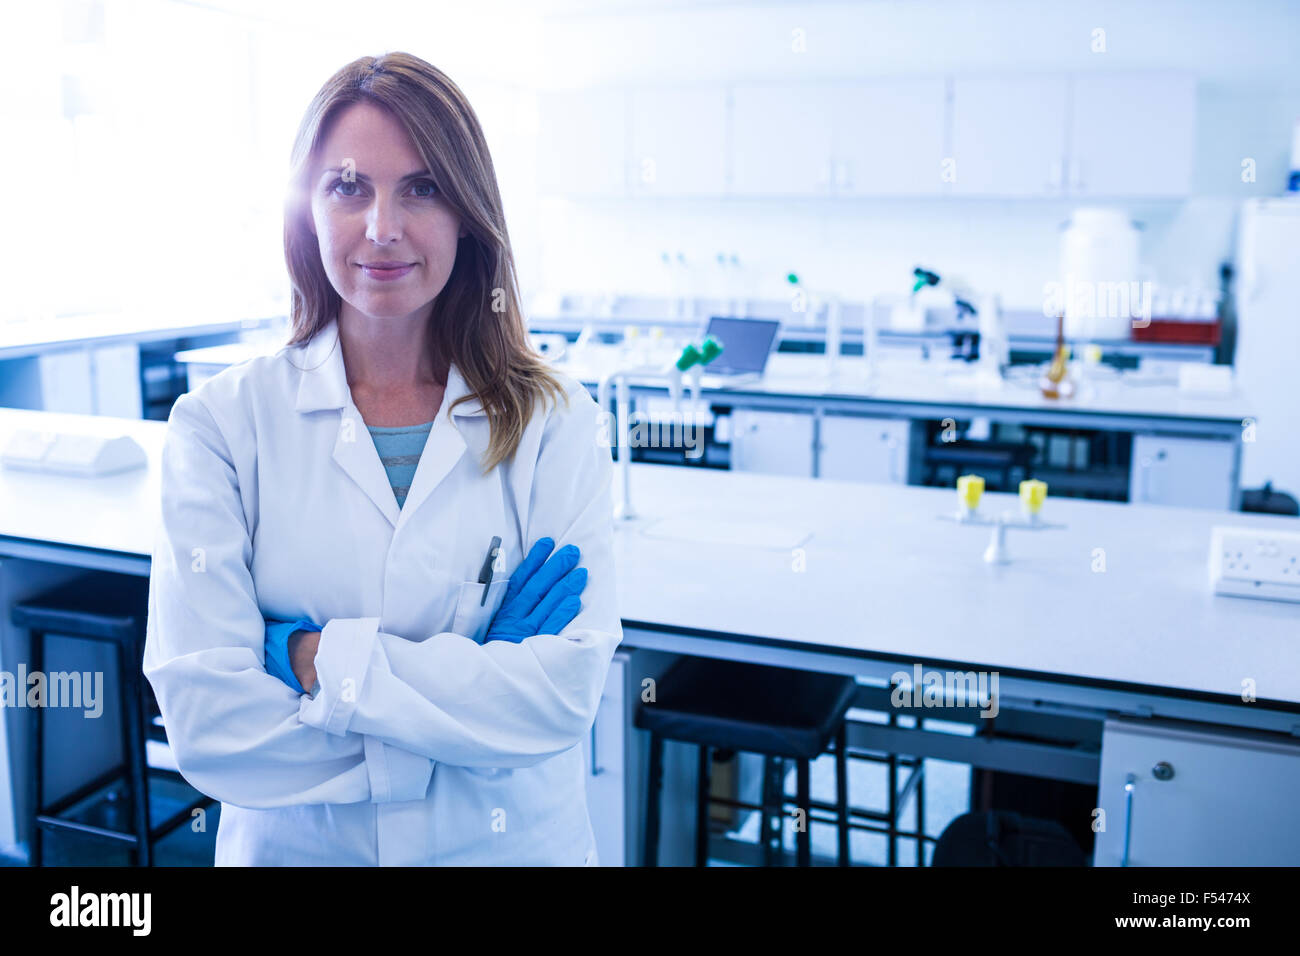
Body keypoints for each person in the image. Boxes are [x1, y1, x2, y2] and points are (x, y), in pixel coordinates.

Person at [142, 52, 621, 866]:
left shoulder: (558, 423)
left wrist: (310, 660)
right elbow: (210, 727)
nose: (383, 228)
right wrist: (468, 697)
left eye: (423, 188)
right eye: (348, 187)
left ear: (469, 213)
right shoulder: (221, 426)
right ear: (307, 210)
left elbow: (558, 701)